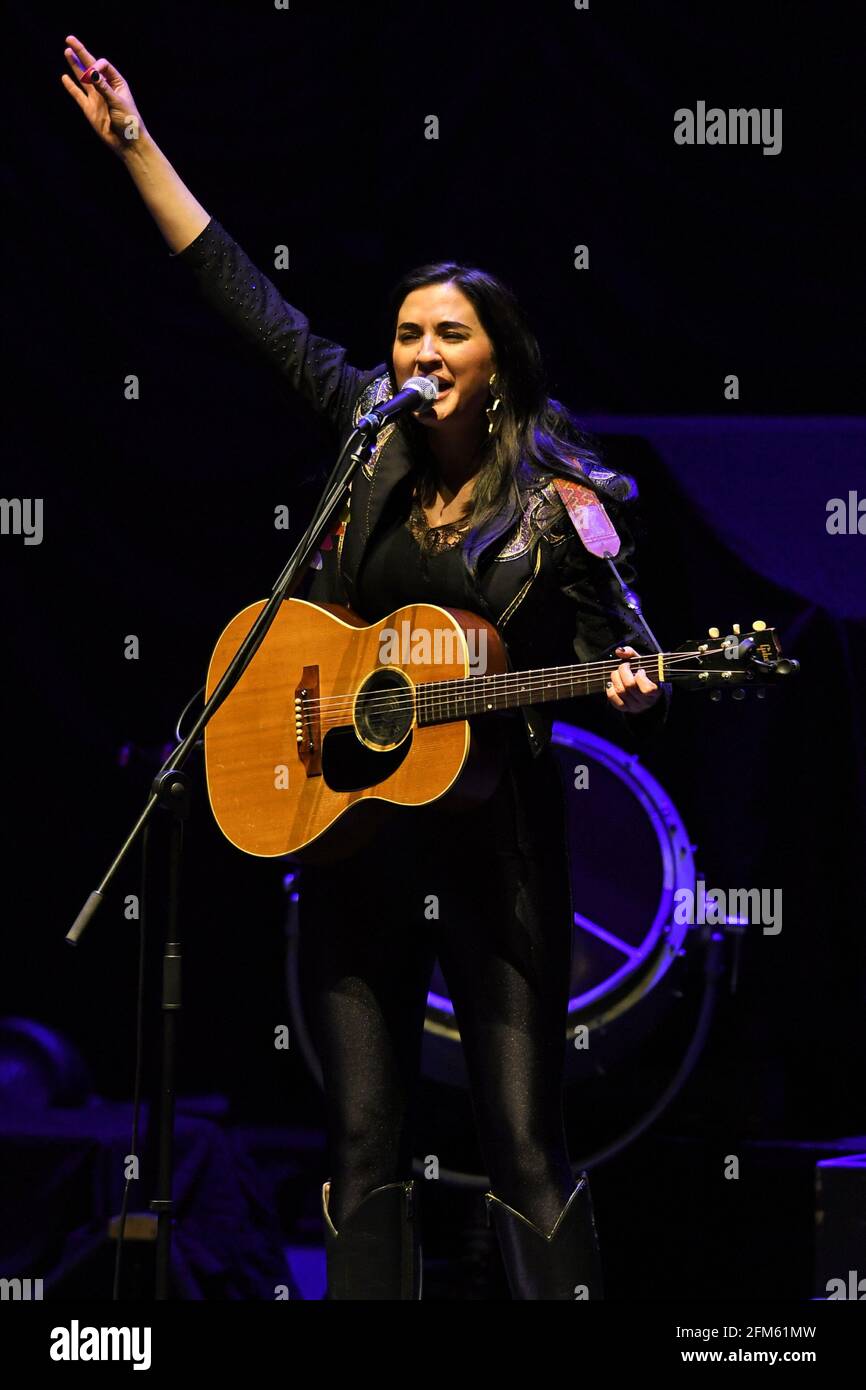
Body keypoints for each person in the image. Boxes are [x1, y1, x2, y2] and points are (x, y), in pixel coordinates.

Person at [62, 34, 671, 1300]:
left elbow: (633, 641)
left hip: (495, 860)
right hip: (351, 842)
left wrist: (638, 676)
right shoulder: (365, 445)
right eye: (403, 336)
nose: (417, 356)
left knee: (520, 1142)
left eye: (447, 335)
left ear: (493, 358)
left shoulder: (560, 503)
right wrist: (134, 142)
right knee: (360, 1141)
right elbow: (239, 293)